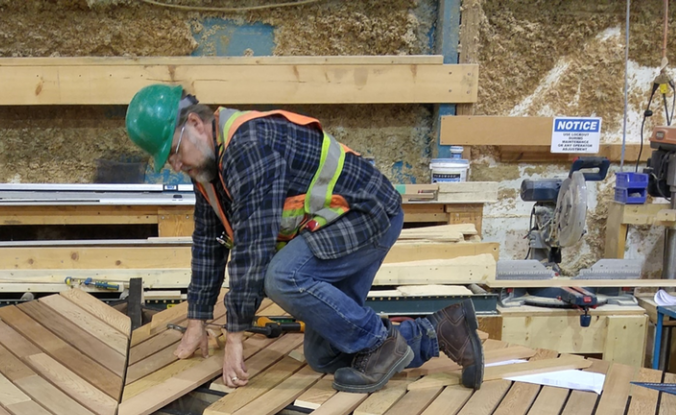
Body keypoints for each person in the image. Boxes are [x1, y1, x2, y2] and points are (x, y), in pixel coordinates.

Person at [124, 84, 484, 393]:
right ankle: (443, 331)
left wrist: (235, 336)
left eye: (173, 154)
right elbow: (207, 242)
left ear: (195, 124)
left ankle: (380, 343)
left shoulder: (248, 147)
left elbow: (254, 246)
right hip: (337, 226)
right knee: (323, 354)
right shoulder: (208, 168)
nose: (175, 167)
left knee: (282, 276)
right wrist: (197, 320)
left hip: (367, 215)